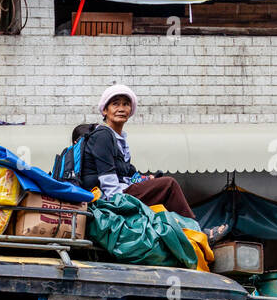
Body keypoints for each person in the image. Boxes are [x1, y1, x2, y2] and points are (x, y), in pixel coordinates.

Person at [76, 85, 227, 242]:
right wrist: (121, 207)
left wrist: (146, 180)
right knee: (168, 185)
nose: (121, 108)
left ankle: (187, 234)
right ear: (105, 111)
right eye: (115, 104)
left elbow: (129, 173)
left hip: (118, 193)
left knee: (161, 185)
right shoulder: (103, 135)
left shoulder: (119, 139)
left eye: (126, 104)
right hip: (107, 200)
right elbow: (108, 182)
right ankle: (199, 233)